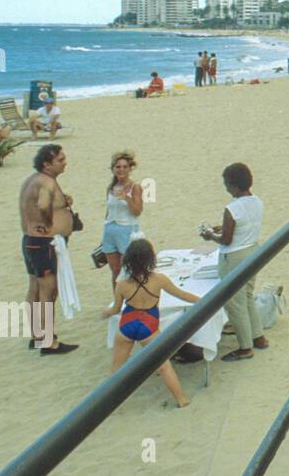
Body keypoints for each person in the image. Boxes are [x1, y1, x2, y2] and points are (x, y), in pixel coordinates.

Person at [102, 238, 199, 408]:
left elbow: (116, 309)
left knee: (116, 370)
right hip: (149, 326)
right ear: (150, 259)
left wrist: (105, 313)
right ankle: (181, 399)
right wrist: (203, 300)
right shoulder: (159, 279)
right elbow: (182, 295)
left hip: (127, 324)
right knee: (164, 367)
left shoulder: (122, 284)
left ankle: (104, 406)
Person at [200, 163, 269, 361]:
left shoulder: (232, 208)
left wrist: (210, 235)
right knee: (247, 296)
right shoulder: (257, 202)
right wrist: (222, 229)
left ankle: (245, 347)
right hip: (252, 251)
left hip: (235, 256)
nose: (226, 188)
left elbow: (226, 240)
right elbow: (244, 227)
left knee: (234, 302)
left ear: (235, 186)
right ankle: (258, 337)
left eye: (227, 184)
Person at [18, 144, 79, 354]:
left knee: (34, 288)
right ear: (47, 164)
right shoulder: (46, 183)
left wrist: (62, 204)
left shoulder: (32, 180)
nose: (65, 162)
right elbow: (43, 206)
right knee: (48, 291)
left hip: (31, 242)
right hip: (45, 244)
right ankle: (48, 341)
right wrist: (49, 225)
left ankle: (37, 335)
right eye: (60, 160)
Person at [101, 151, 145, 294]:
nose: (121, 170)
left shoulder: (135, 187)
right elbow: (109, 211)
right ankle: (117, 302)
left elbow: (138, 211)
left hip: (127, 229)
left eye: (124, 167)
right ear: (113, 169)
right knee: (115, 271)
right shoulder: (110, 187)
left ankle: (133, 299)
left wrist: (126, 197)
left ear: (130, 168)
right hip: (110, 229)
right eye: (118, 167)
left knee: (131, 270)